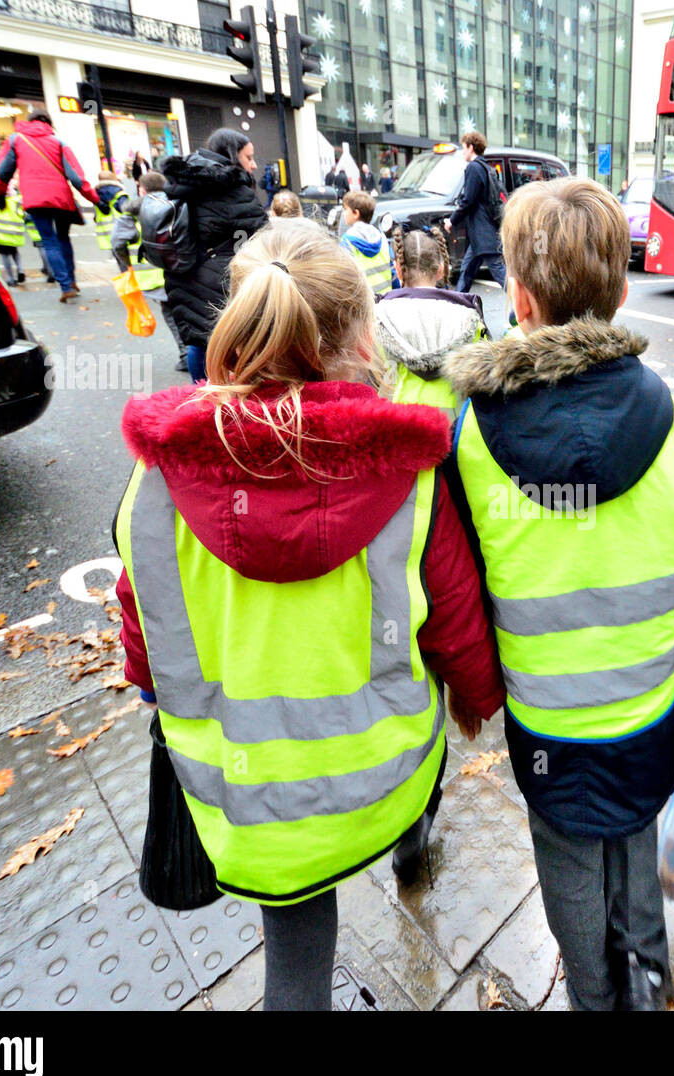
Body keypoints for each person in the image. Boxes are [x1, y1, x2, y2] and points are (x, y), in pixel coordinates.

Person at [114, 219, 504, 1010]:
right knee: (409, 794)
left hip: (245, 789)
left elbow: (142, 620)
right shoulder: (409, 479)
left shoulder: (154, 486)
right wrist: (478, 697)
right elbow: (456, 618)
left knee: (294, 955)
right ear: (361, 335)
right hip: (385, 772)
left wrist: (152, 689)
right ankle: (409, 842)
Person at [442, 177, 674, 1010]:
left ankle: (592, 992)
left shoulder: (470, 437)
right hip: (649, 714)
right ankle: (645, 983)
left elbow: (454, 591)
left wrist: (474, 692)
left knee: (571, 870)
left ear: (520, 296)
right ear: (622, 294)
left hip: (546, 727)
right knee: (634, 845)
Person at [160, 128, 268, 382]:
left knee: (199, 341)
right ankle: (228, 403)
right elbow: (264, 237)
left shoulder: (183, 180)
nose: (252, 165)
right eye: (248, 157)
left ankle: (201, 397)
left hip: (183, 275)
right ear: (231, 155)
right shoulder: (232, 190)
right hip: (219, 282)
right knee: (232, 343)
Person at [0, 110, 108, 303]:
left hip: (35, 199)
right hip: (61, 198)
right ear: (49, 123)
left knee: (49, 240)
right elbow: (76, 178)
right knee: (63, 238)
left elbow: (3, 171)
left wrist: (0, 194)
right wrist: (96, 201)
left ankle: (64, 286)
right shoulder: (59, 142)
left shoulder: (16, 140)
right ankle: (71, 281)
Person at [375, 225, 485, 418]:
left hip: (397, 421)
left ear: (399, 270)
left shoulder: (380, 315)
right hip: (455, 423)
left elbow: (374, 374)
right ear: (441, 270)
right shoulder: (469, 317)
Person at [122, 172, 187, 369]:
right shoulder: (177, 206)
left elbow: (118, 241)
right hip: (179, 269)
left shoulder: (134, 213)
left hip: (152, 274)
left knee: (170, 313)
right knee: (186, 310)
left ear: (142, 190)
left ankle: (186, 353)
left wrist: (126, 262)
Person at [443, 131, 507, 299]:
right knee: (466, 271)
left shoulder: (474, 168)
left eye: (464, 148)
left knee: (500, 273)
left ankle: (524, 300)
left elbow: (468, 200)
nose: (463, 152)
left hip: (483, 234)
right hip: (482, 233)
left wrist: (451, 221)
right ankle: (457, 302)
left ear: (471, 148)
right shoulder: (487, 168)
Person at [338, 190, 398, 299]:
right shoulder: (382, 238)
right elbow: (393, 272)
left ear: (356, 213)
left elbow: (345, 278)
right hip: (386, 300)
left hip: (365, 304)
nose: (343, 213)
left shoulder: (347, 242)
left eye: (346, 209)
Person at [94, 170, 131, 263]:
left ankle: (125, 274)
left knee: (119, 258)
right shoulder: (119, 193)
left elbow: (96, 216)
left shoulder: (95, 195)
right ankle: (130, 275)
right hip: (123, 230)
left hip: (107, 233)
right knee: (130, 257)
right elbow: (127, 210)